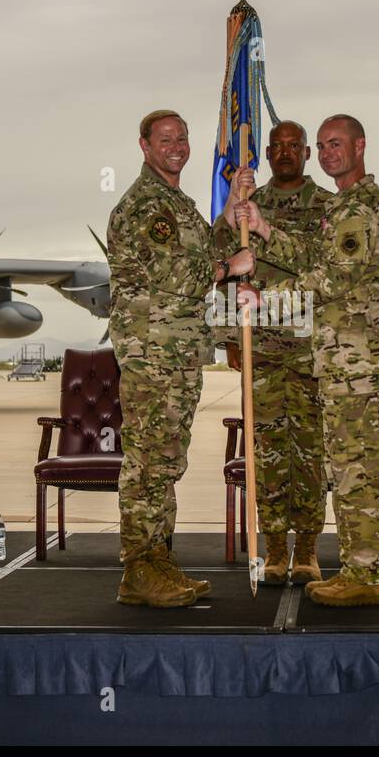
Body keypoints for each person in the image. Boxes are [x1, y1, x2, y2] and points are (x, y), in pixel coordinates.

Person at [238, 114, 379, 607]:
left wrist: (266, 301)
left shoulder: (364, 207)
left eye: (335, 144)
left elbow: (333, 278)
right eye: (324, 146)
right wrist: (263, 227)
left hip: (357, 363)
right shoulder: (346, 204)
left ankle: (366, 575)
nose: (329, 153)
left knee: (358, 470)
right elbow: (313, 255)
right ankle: (358, 569)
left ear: (360, 146)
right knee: (347, 469)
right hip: (339, 362)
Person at [106, 109, 255, 607]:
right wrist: (232, 266)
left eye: (183, 138)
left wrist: (231, 210)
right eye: (166, 139)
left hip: (177, 355)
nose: (177, 146)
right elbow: (181, 276)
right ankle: (139, 566)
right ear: (144, 146)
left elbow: (198, 253)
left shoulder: (174, 203)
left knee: (166, 462)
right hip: (153, 356)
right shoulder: (145, 205)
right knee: (147, 463)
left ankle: (156, 561)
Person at [214, 121, 332, 585]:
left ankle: (307, 549)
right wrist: (228, 338)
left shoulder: (326, 206)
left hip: (308, 349)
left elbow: (328, 271)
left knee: (309, 451)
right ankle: (276, 549)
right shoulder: (250, 206)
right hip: (259, 346)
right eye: (276, 147)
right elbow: (225, 262)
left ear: (306, 153)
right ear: (266, 152)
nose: (285, 153)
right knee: (267, 452)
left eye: (293, 147)